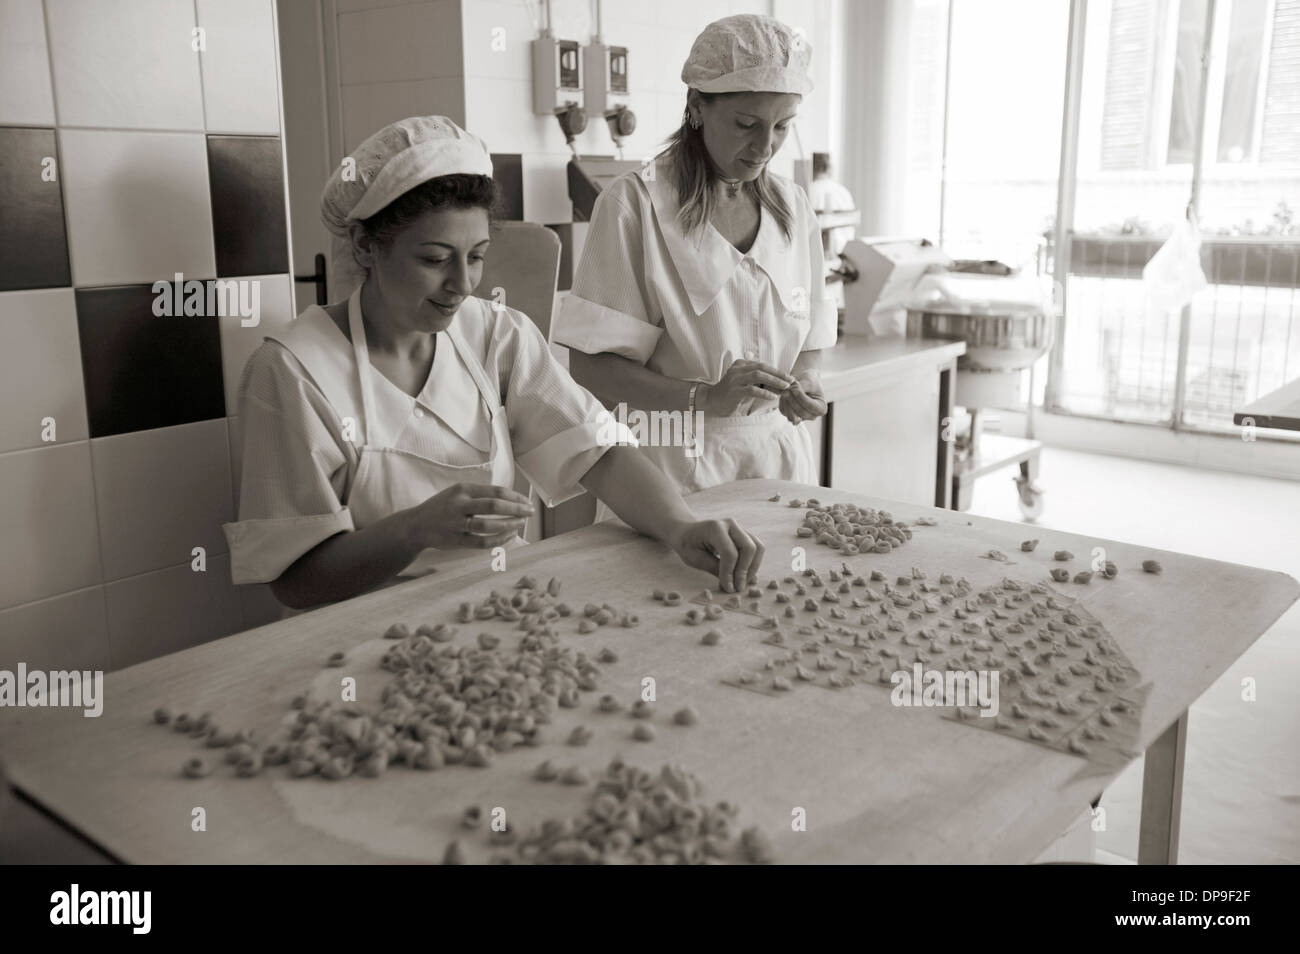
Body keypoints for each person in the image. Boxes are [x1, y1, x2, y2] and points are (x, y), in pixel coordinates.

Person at [223, 117, 765, 610]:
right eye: (434, 260)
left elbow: (598, 453)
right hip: (366, 632)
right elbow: (295, 581)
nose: (463, 284)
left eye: (477, 256)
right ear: (365, 247)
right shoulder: (292, 372)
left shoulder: (496, 333)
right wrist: (414, 529)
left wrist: (679, 526)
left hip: (503, 606)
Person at [552, 14, 836, 515]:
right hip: (668, 467)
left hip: (777, 464)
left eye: (782, 127)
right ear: (696, 107)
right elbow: (591, 367)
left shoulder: (793, 207)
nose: (764, 147)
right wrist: (704, 398)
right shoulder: (634, 206)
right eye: (746, 125)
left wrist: (805, 383)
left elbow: (810, 345)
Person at [808, 151, 856, 257]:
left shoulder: (807, 191)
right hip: (844, 254)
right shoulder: (843, 192)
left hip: (819, 255)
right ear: (829, 168)